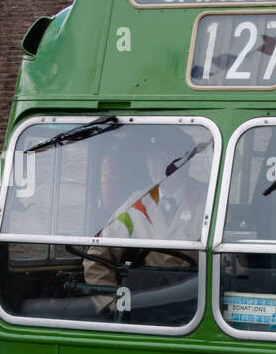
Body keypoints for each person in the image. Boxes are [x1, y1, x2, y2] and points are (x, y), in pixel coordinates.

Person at [84, 125, 210, 314]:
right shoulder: (135, 204)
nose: (158, 167)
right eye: (152, 158)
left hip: (196, 307)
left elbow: (232, 265)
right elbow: (97, 256)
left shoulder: (209, 199)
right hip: (145, 307)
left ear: (186, 162)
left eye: (167, 158)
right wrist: (109, 303)